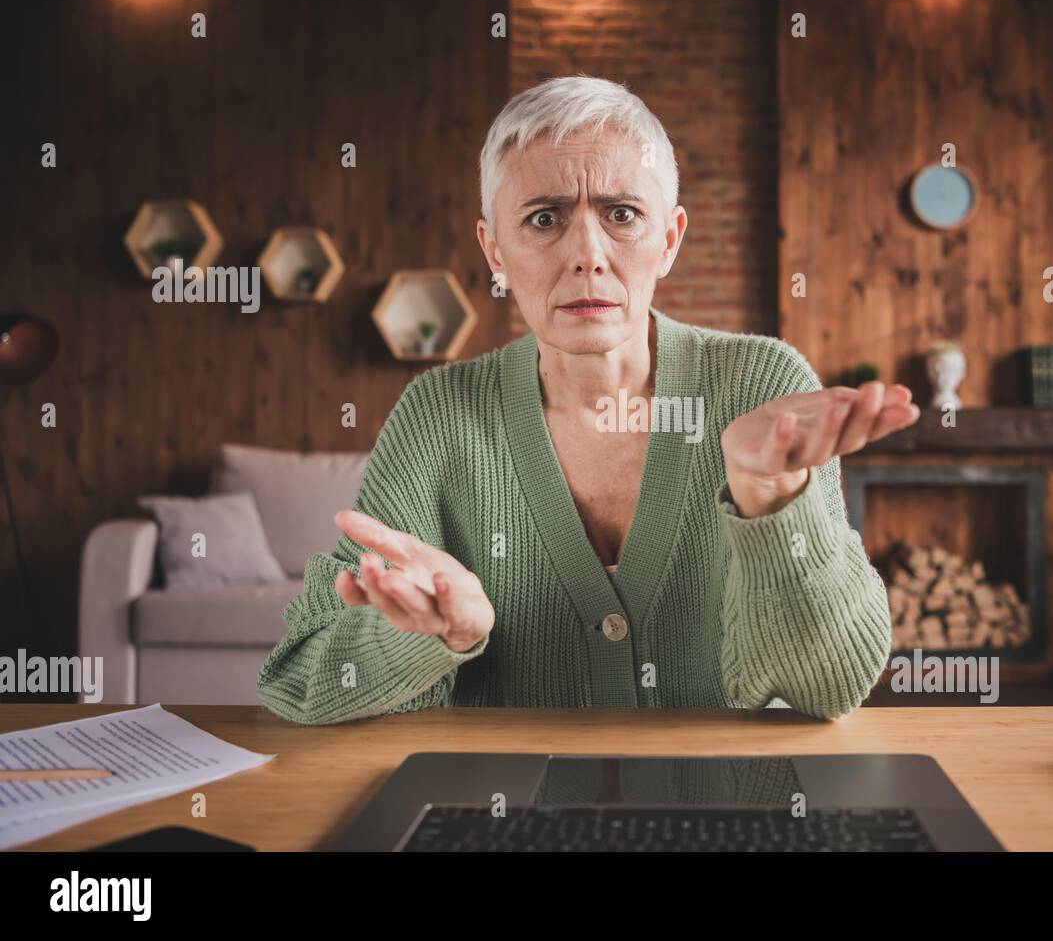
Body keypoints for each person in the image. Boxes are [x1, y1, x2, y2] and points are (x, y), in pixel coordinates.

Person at [256, 74, 920, 725]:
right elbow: (300, 681)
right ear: (494, 249)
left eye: (622, 214)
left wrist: (769, 497)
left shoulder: (764, 385)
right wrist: (431, 634)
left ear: (670, 239)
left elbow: (830, 688)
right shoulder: (438, 415)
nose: (587, 254)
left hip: (724, 806)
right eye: (543, 218)